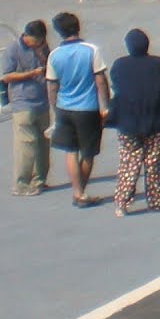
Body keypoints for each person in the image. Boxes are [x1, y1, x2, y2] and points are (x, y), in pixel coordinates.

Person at [108, 29, 160, 217]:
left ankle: (122, 202)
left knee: (129, 163)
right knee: (155, 162)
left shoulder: (119, 65)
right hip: (154, 120)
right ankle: (157, 200)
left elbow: (115, 86)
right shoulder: (156, 63)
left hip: (128, 122)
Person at [46, 12, 109, 206]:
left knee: (70, 151)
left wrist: (55, 109)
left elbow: (52, 85)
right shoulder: (91, 50)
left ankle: (77, 191)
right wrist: (105, 106)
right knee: (88, 153)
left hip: (64, 108)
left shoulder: (54, 55)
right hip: (88, 108)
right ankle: (81, 192)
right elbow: (100, 80)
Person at [2, 19, 52, 196]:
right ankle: (21, 183)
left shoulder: (43, 48)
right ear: (28, 37)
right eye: (36, 40)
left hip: (42, 100)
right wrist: (31, 74)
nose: (38, 43)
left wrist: (42, 55)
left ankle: (39, 180)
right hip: (23, 102)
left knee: (43, 142)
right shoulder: (13, 50)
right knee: (26, 144)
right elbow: (6, 77)